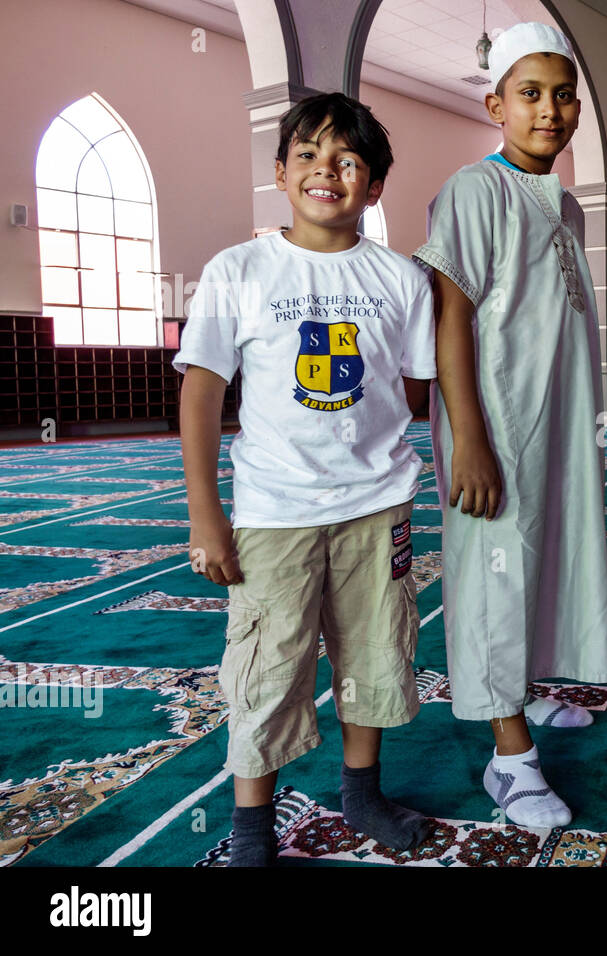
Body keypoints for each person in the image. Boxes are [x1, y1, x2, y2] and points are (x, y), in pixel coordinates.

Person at [176, 92, 436, 865]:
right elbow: (201, 391)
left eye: (349, 159)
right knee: (265, 666)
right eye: (311, 155)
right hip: (272, 510)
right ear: (282, 173)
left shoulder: (400, 280)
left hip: (376, 507)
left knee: (374, 656)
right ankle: (253, 828)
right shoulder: (240, 269)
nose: (329, 170)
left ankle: (362, 794)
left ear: (375, 186)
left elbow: (415, 388)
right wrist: (205, 514)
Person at [412, 22, 607, 828]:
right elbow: (450, 315)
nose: (551, 110)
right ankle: (511, 762)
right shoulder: (473, 189)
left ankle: (532, 691)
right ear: (497, 104)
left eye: (564, 95)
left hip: (556, 424)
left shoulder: (564, 203)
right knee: (496, 580)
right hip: (494, 426)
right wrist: (468, 437)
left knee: (554, 557)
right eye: (530, 94)